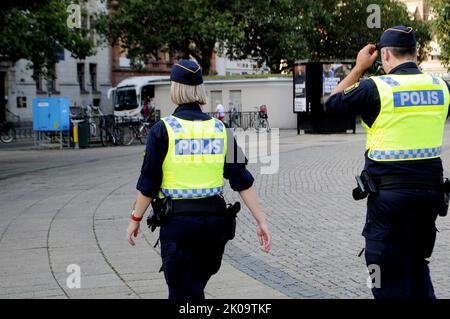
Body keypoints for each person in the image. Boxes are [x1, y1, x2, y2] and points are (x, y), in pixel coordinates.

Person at [126, 59, 272, 300]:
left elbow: (149, 183)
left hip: (179, 226)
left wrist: (135, 219)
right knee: (194, 290)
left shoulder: (162, 131)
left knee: (183, 294)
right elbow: (242, 180)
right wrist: (261, 220)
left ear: (175, 89)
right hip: (214, 228)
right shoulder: (222, 130)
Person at [325, 26, 450, 299]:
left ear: (384, 55)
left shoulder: (376, 88)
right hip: (429, 200)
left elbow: (331, 104)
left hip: (388, 204)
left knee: (381, 273)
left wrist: (359, 68)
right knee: (418, 268)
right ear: (416, 53)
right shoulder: (441, 87)